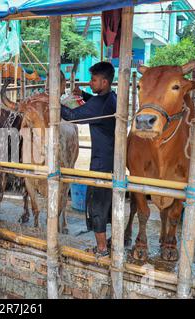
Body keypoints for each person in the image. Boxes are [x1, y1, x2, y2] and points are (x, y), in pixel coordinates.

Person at [60, 61, 117, 258]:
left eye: (93, 80)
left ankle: (101, 249)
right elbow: (94, 103)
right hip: (111, 158)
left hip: (102, 161)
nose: (90, 83)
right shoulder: (110, 98)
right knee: (107, 201)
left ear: (105, 81)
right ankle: (110, 241)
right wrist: (83, 95)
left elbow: (71, 115)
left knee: (97, 204)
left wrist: (51, 102)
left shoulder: (100, 105)